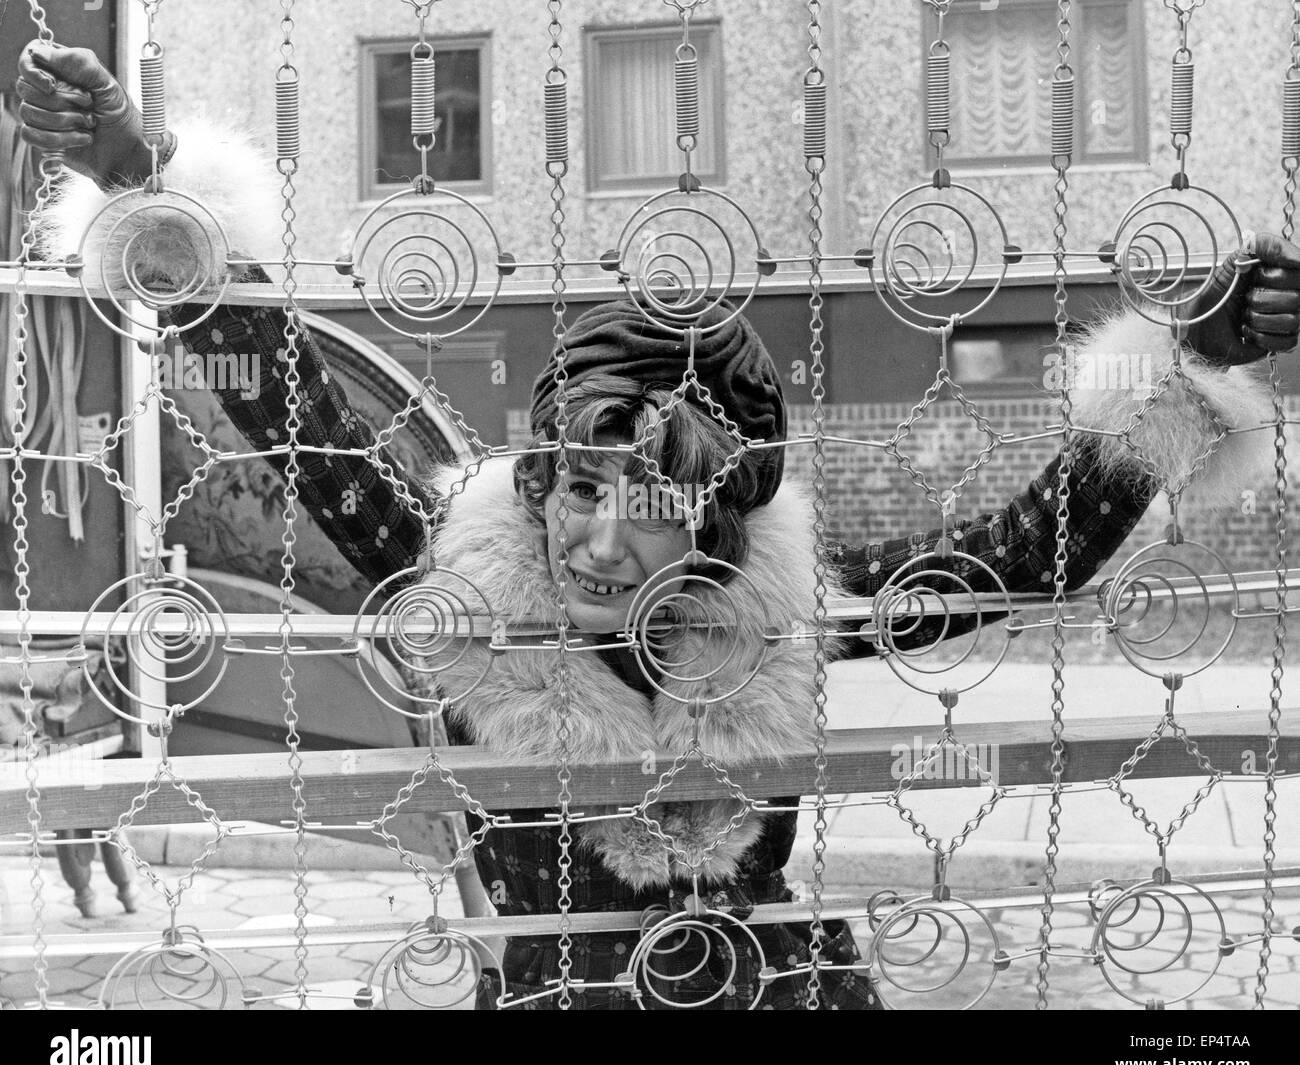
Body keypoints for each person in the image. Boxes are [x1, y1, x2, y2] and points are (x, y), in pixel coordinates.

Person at [13, 42, 1300, 1010]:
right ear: (540, 483)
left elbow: (1032, 555)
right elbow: (303, 419)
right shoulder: (461, 586)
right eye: (581, 491)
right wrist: (141, 183)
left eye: (655, 513)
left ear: (722, 538)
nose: (599, 545)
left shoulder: (795, 612)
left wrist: (1183, 361)